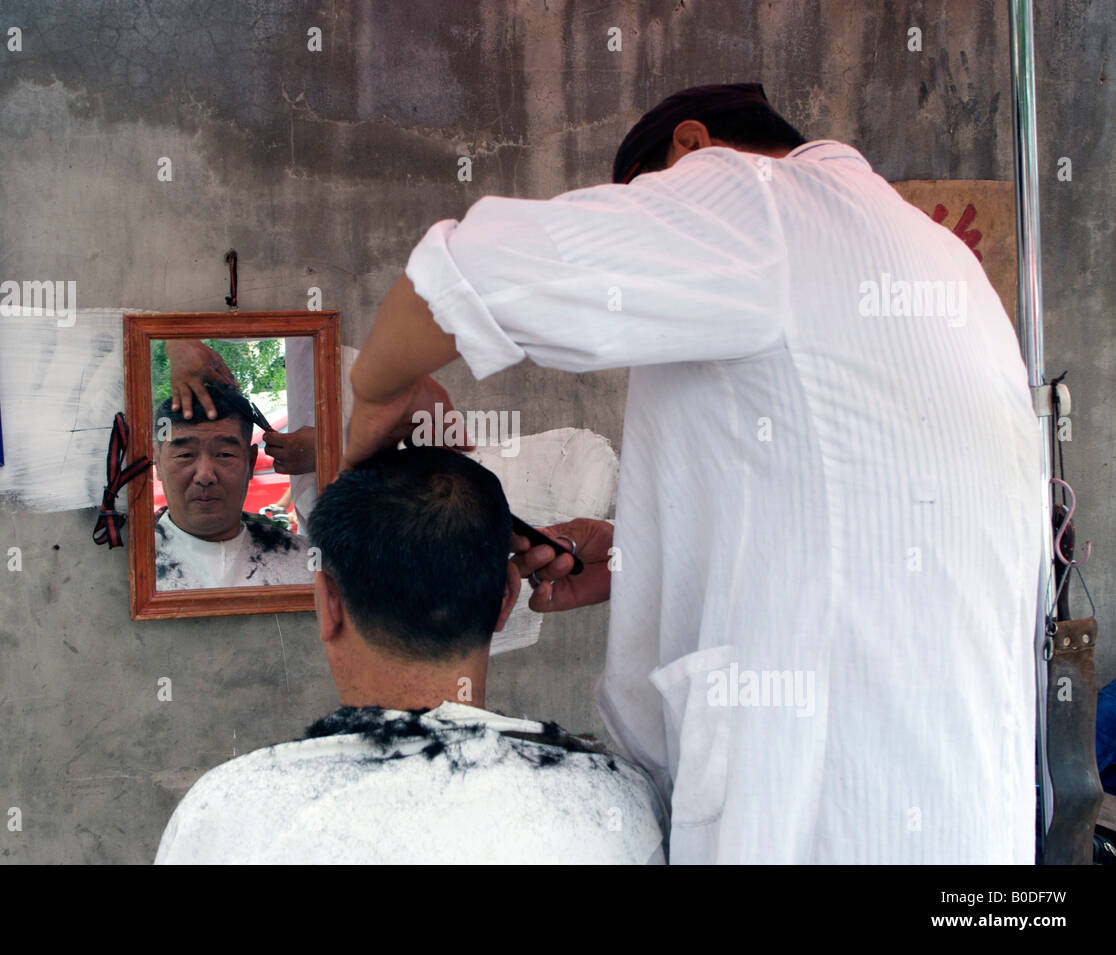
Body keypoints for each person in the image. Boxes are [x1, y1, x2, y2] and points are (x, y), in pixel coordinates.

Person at [342, 83, 1043, 864]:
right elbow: (861, 522)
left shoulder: (757, 199)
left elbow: (467, 272)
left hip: (826, 817)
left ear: (690, 148)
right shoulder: (940, 262)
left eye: (641, 201)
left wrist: (373, 394)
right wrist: (652, 553)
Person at [154, 446, 667, 863]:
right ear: (507, 597)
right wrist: (649, 568)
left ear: (329, 603)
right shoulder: (618, 805)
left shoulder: (225, 817)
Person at [152, 381, 311, 590]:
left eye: (224, 454)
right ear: (158, 462)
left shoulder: (301, 564)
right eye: (185, 455)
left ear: (251, 462)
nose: (205, 476)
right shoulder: (128, 565)